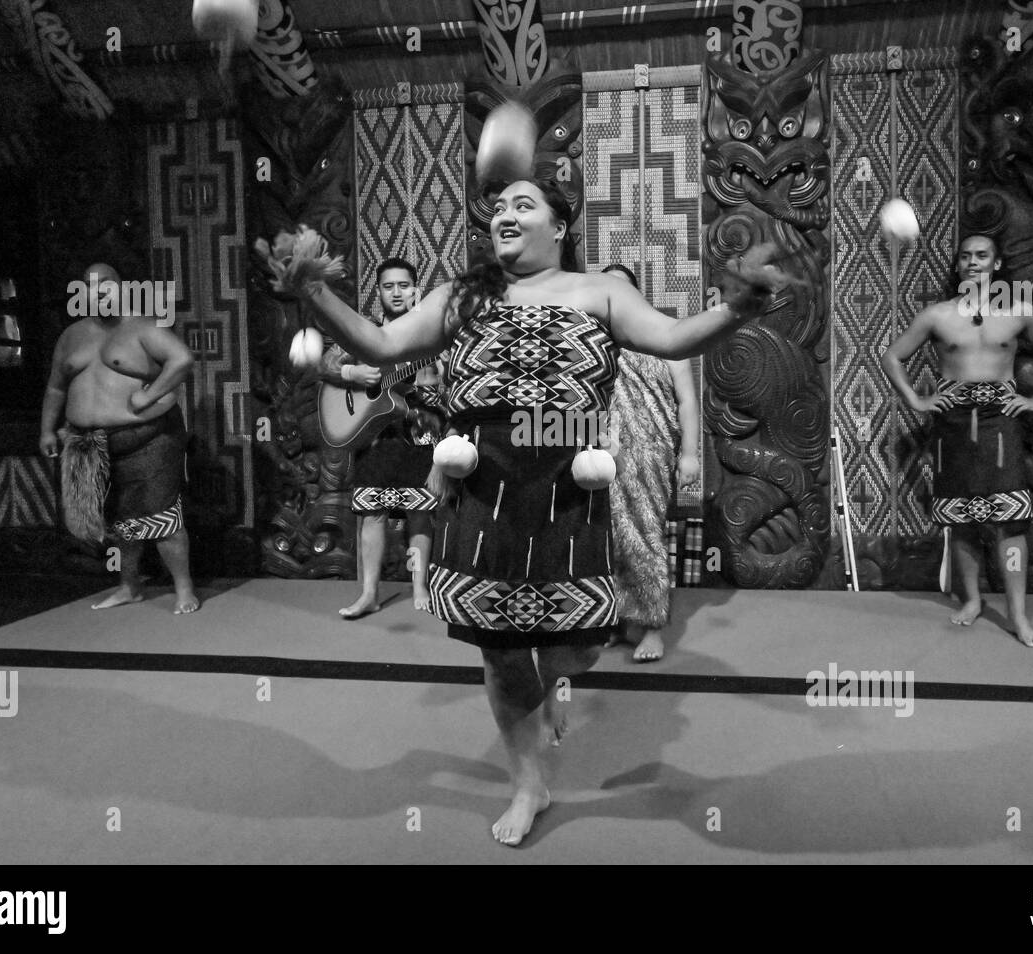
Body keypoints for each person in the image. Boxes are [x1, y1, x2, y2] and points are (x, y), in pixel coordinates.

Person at [296, 177, 786, 846]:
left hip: (569, 486)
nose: (504, 212)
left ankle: (550, 680)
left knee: (580, 644)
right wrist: (312, 291)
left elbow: (675, 340)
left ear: (559, 227)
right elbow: (381, 346)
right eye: (498, 206)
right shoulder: (461, 296)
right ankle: (529, 783)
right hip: (482, 488)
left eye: (523, 204)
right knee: (501, 655)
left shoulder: (601, 292)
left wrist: (741, 305)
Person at [881, 234, 1033, 647]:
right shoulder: (937, 316)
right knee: (962, 520)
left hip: (1000, 423)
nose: (972, 262)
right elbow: (891, 356)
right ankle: (972, 600)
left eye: (981, 256)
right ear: (958, 266)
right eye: (965, 257)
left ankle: (1018, 615)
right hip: (952, 425)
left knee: (1010, 522)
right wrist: (917, 398)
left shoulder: (1020, 312)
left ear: (996, 265)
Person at [40, 262, 199, 614]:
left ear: (121, 288)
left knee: (160, 514)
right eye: (90, 287)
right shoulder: (71, 336)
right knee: (117, 518)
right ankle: (129, 586)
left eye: (106, 286)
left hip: (150, 439)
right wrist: (47, 429)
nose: (98, 293)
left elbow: (183, 360)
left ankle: (183, 588)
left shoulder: (143, 327)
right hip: (89, 443)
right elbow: (55, 387)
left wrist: (148, 395)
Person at [319, 258, 446, 618]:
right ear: (378, 292)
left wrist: (430, 378)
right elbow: (322, 365)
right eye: (388, 286)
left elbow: (448, 389)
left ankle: (420, 586)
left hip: (421, 435)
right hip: (376, 438)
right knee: (372, 513)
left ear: (415, 288)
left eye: (403, 285)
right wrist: (350, 371)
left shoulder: (431, 335)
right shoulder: (366, 332)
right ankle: (369, 594)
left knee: (419, 514)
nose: (396, 292)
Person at [600, 263, 700, 663]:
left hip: (654, 452)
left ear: (637, 295)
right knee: (611, 540)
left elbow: (687, 400)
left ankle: (653, 627)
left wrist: (690, 454)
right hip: (606, 455)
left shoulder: (663, 334)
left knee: (646, 537)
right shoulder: (595, 343)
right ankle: (622, 620)